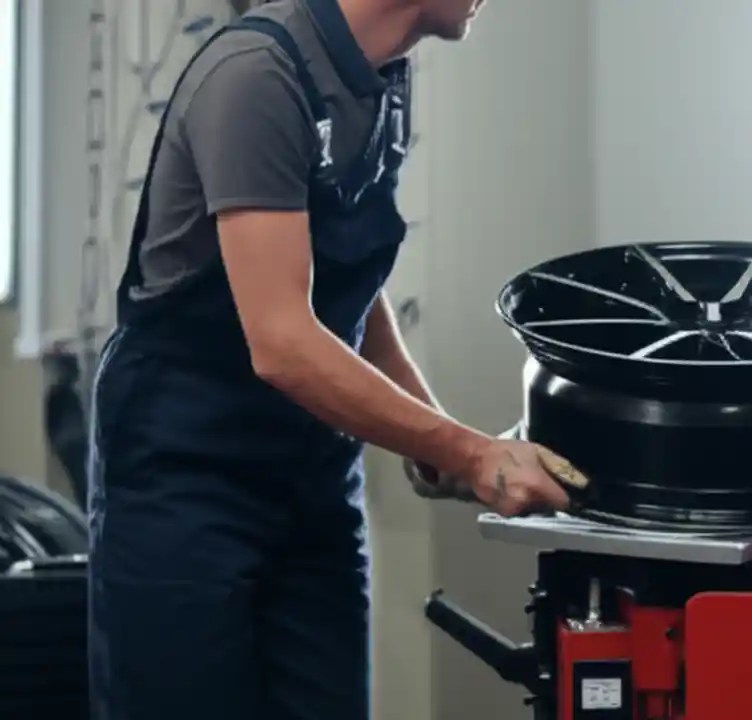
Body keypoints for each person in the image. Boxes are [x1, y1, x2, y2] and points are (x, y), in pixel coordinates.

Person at [87, 1, 585, 718]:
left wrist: (432, 433)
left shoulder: (385, 77)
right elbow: (284, 342)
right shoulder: (256, 78)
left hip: (313, 486)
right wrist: (473, 454)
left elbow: (344, 279)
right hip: (186, 482)